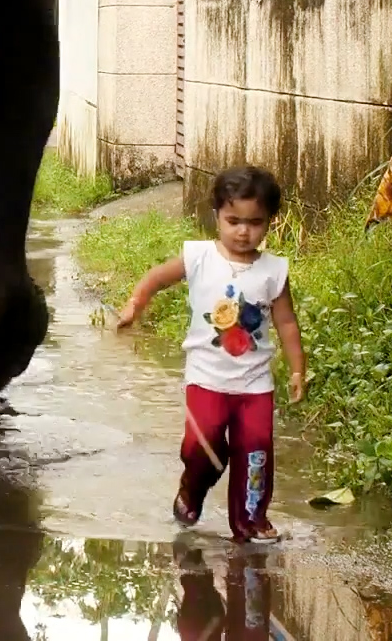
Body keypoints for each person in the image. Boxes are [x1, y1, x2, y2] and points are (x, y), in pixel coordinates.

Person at [114, 166, 306, 543]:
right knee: (201, 447)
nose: (243, 231)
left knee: (255, 452)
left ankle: (251, 519)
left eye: (255, 222)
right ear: (217, 215)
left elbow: (286, 324)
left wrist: (298, 369)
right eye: (234, 221)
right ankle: (192, 489)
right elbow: (157, 277)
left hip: (255, 385)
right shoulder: (199, 256)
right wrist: (135, 303)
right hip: (206, 380)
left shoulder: (274, 271)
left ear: (270, 221)